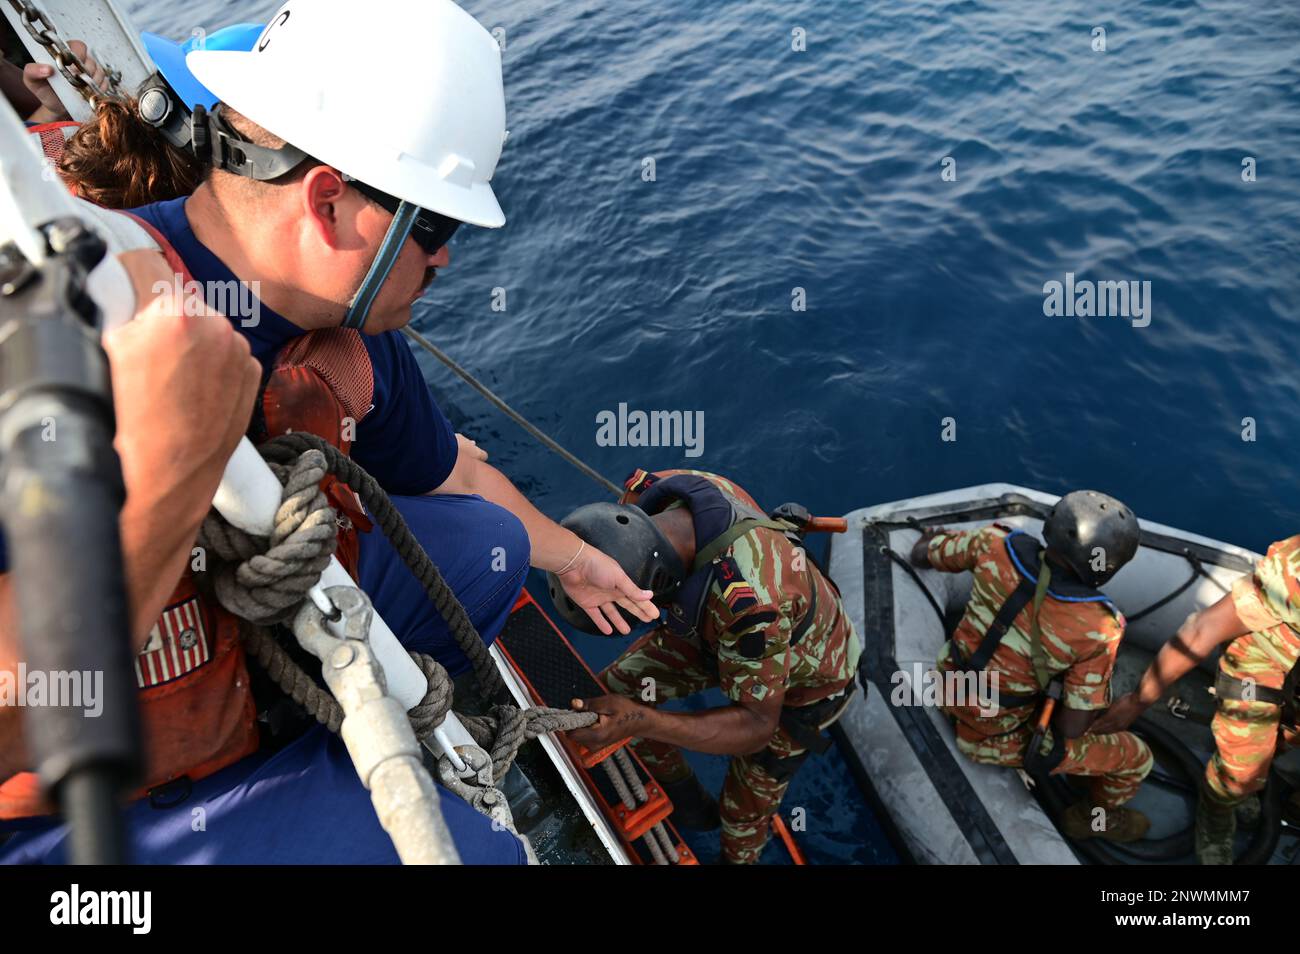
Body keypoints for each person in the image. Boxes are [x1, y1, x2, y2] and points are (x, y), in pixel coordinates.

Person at [557, 468, 862, 864]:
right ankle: (688, 802)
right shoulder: (651, 497)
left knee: (742, 815)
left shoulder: (750, 607)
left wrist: (644, 721)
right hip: (713, 638)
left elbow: (756, 727)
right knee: (613, 690)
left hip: (805, 682)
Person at [914, 490, 1155, 843]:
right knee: (1138, 757)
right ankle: (1092, 818)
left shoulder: (993, 543)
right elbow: (1072, 728)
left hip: (943, 685)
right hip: (989, 738)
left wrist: (929, 538)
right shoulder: (1100, 626)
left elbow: (922, 554)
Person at [1095, 534, 1300, 864]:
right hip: (1262, 662)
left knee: (1285, 739)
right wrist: (1138, 701)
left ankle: (1259, 787)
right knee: (1242, 769)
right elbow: (1204, 628)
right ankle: (1217, 816)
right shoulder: (1296, 573)